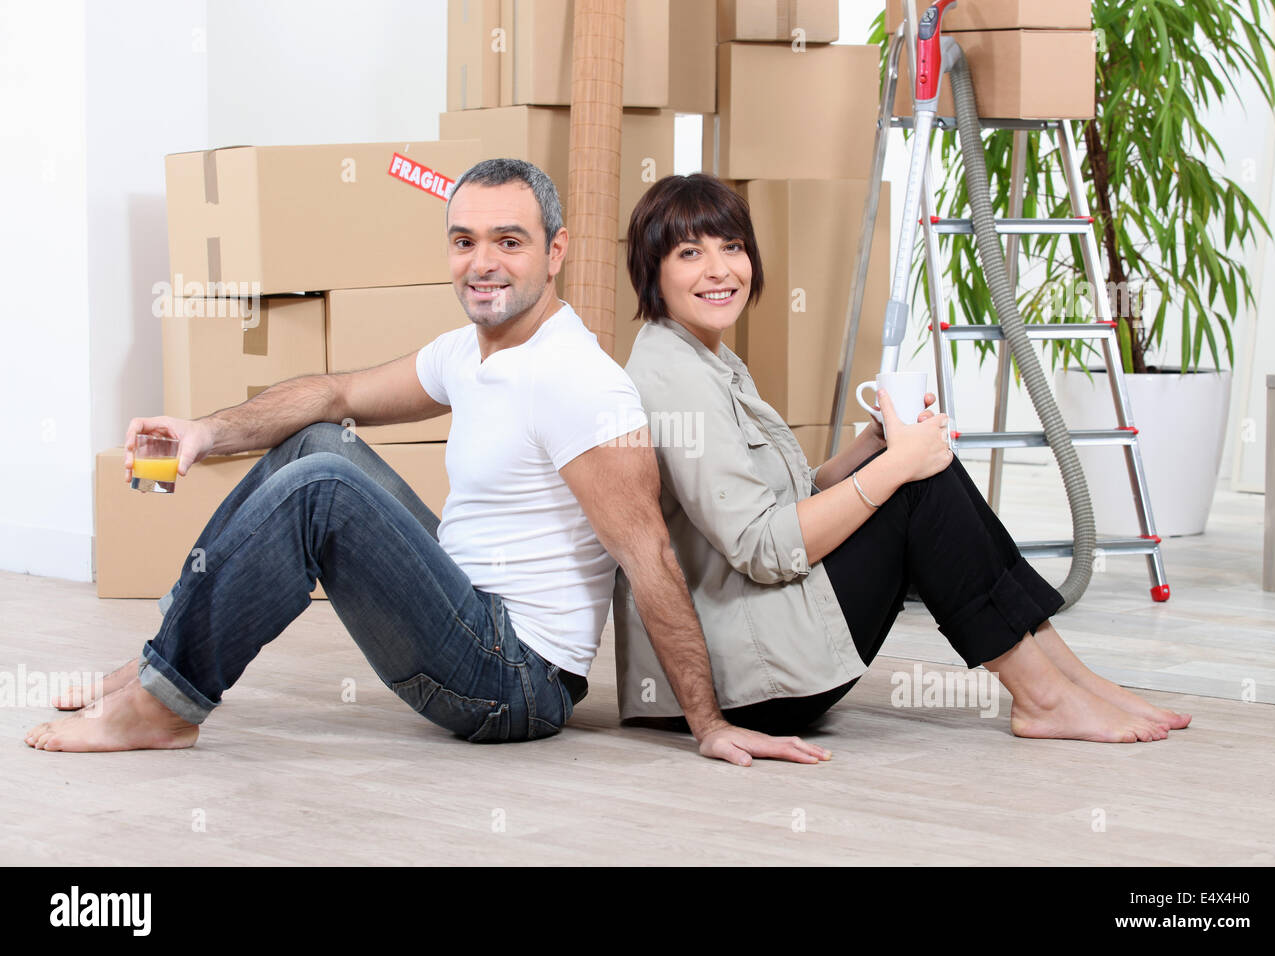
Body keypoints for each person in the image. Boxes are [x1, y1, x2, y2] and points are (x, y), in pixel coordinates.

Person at [24, 159, 830, 766]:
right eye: (465, 241)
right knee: (316, 443)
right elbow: (335, 392)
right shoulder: (471, 351)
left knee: (326, 488)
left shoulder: (581, 382)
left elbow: (649, 556)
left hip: (514, 682)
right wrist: (203, 433)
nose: (483, 262)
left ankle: (165, 704)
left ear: (554, 253)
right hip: (467, 623)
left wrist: (710, 723)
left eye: (508, 242)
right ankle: (156, 664)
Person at [613, 173, 1192, 743]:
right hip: (750, 683)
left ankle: (1070, 678)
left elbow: (788, 503)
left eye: (732, 247)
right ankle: (1044, 697)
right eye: (691, 253)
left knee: (919, 466)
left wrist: (875, 447)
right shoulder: (676, 378)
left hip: (762, 644)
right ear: (653, 271)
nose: (720, 269)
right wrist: (898, 468)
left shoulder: (705, 358)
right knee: (918, 483)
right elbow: (763, 548)